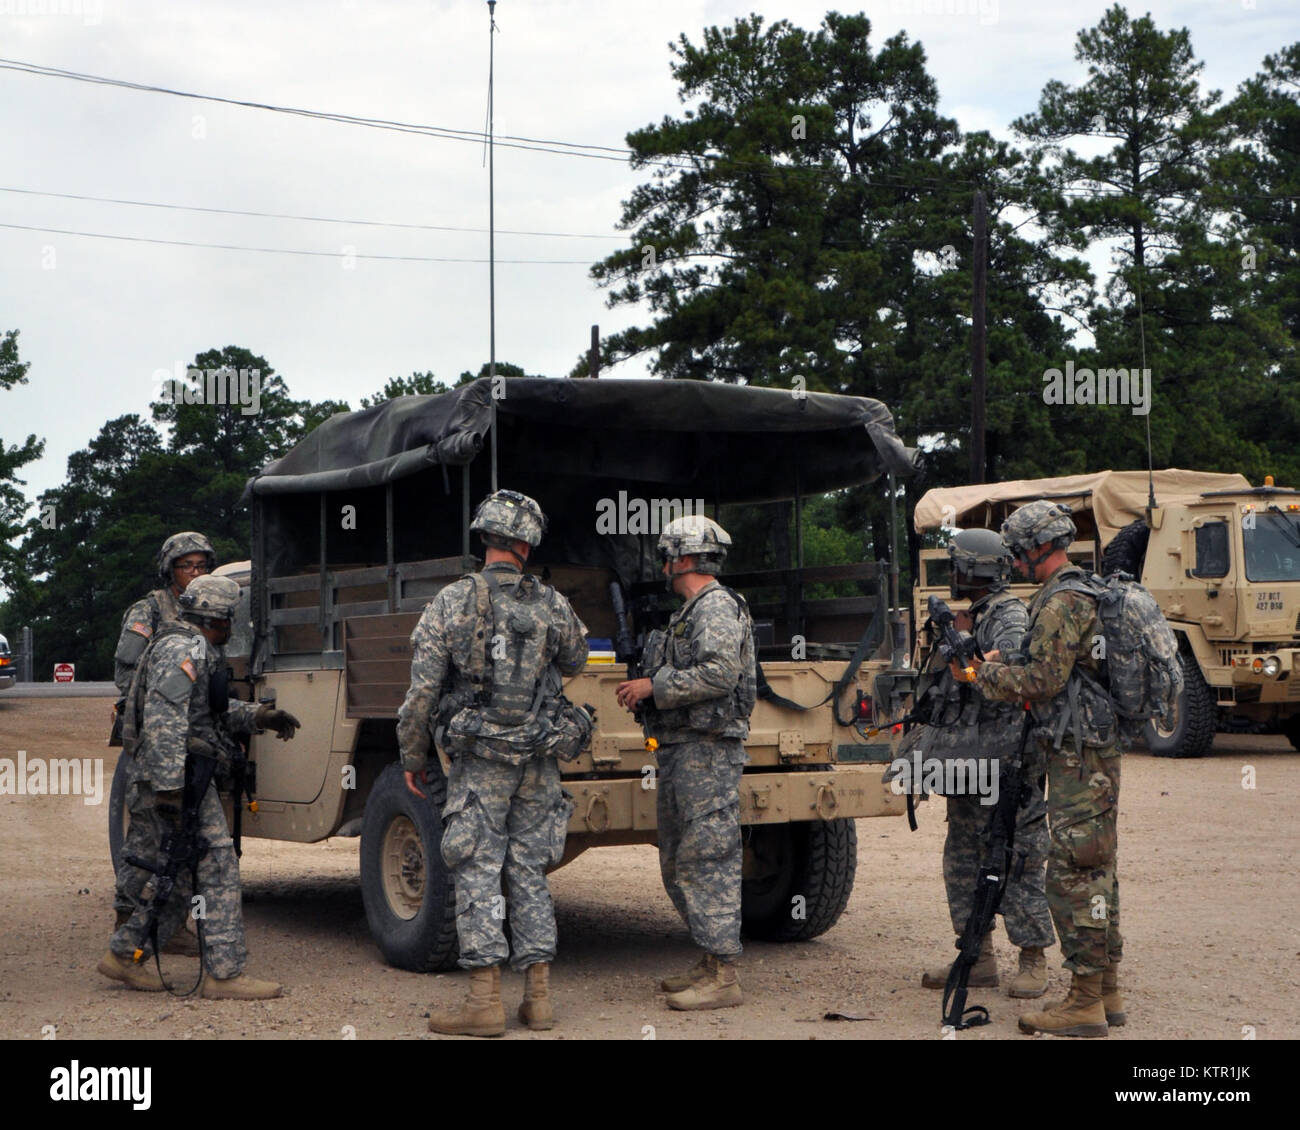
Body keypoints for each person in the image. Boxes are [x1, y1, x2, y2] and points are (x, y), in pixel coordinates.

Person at [398, 490, 589, 1037]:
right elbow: (576, 658)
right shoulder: (551, 602)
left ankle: (484, 1004)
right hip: (539, 756)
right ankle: (540, 999)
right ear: (526, 544)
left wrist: (413, 754)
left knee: (478, 869)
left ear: (485, 539)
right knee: (530, 870)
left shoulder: (452, 601)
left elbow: (422, 692)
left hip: (480, 761)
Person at [958, 500, 1125, 1038]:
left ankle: (1083, 1004)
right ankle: (1106, 990)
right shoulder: (1076, 593)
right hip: (1088, 749)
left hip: (1079, 754)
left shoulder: (1062, 601)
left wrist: (980, 677)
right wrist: (1005, 663)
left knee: (1074, 873)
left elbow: (1042, 683)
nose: (1014, 561)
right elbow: (1051, 665)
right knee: (1097, 869)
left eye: (1018, 551)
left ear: (1038, 548)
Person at [99, 575, 300, 999]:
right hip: (175, 776)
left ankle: (125, 953)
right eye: (230, 618)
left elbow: (208, 711)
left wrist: (259, 717)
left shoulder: (189, 646)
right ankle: (224, 975)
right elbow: (165, 720)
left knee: (185, 874)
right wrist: (172, 791)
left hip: (176, 774)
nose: (232, 627)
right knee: (219, 862)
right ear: (218, 618)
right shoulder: (183, 649)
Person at [616, 514, 755, 1011]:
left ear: (686, 558)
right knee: (679, 860)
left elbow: (720, 673)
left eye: (669, 555)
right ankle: (709, 959)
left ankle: (723, 974)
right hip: (683, 748)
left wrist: (656, 686)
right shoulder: (692, 610)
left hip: (707, 750)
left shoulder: (715, 607)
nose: (665, 565)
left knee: (707, 859)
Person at [912, 528, 1054, 999]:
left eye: (956, 565)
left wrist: (977, 661)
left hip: (1009, 760)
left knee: (1020, 856)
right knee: (964, 859)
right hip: (971, 761)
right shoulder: (976, 614)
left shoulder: (1008, 614)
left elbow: (1019, 662)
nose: (951, 573)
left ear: (976, 569)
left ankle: (1032, 958)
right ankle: (979, 956)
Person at [111, 532, 218, 953]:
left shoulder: (209, 608)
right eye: (187, 566)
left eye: (202, 566)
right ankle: (127, 919)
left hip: (194, 737)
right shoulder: (150, 609)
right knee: (145, 833)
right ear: (169, 569)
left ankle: (171, 926)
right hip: (154, 736)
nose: (196, 574)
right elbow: (125, 673)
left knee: (186, 835)